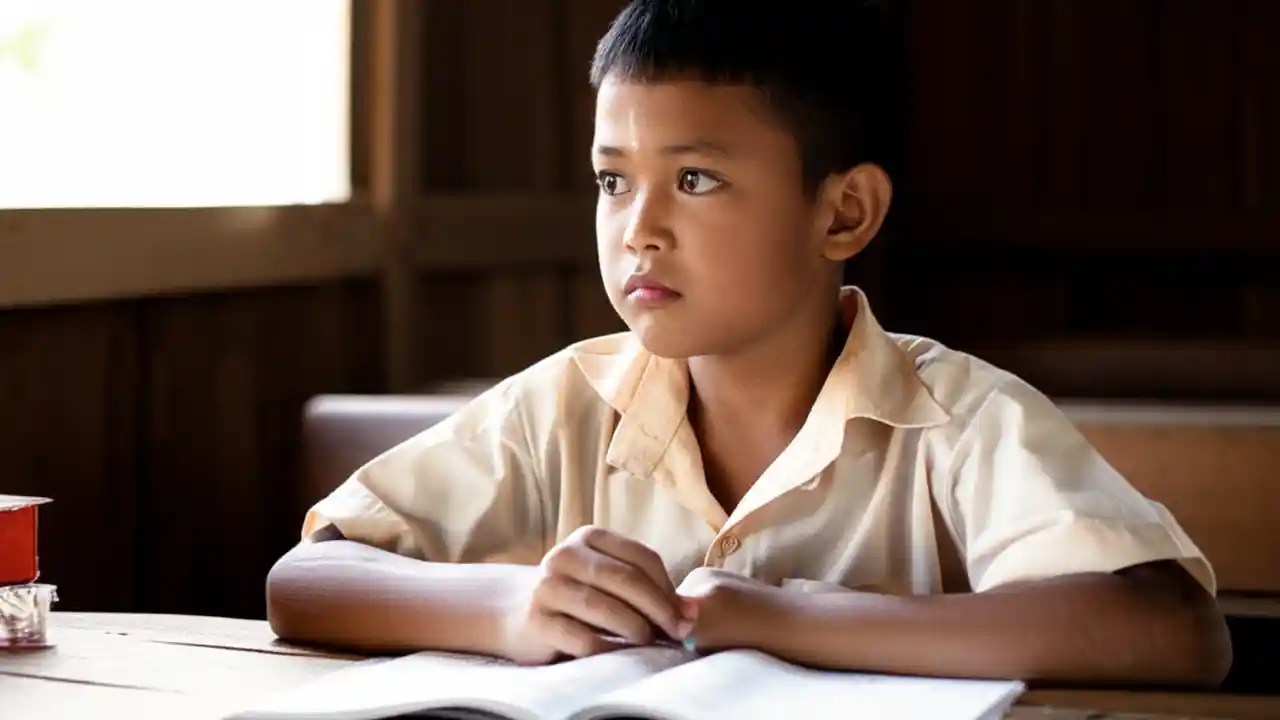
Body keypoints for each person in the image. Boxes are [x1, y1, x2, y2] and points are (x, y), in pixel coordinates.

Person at [266, 0, 1231, 685]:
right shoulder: (564, 402)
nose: (637, 226)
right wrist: (509, 609)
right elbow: (306, 579)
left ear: (844, 211)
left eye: (694, 181)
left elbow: (1170, 631)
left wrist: (779, 615)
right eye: (612, 182)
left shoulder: (959, 419)